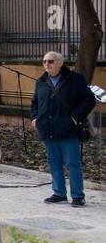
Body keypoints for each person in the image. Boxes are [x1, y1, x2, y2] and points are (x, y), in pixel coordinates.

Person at [30, 50, 95, 206]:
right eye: (44, 61)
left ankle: (78, 196)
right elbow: (35, 103)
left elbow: (89, 100)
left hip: (68, 129)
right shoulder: (41, 81)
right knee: (54, 163)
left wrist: (75, 117)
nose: (47, 64)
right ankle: (59, 193)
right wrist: (34, 118)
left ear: (60, 63)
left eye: (50, 61)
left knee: (73, 163)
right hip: (48, 129)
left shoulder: (75, 79)